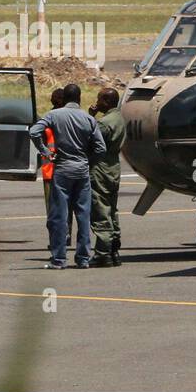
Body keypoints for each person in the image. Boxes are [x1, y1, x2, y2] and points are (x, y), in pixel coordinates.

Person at [30, 83, 106, 269]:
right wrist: (87, 159)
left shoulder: (54, 115)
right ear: (79, 98)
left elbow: (34, 131)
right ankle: (83, 258)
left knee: (60, 215)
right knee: (83, 214)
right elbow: (101, 148)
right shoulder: (88, 119)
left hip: (63, 168)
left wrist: (46, 152)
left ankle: (59, 258)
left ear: (64, 99)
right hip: (82, 170)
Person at [88, 88, 126, 267]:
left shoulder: (104, 124)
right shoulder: (119, 118)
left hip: (101, 168)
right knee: (112, 208)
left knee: (100, 209)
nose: (97, 102)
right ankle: (113, 248)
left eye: (99, 99)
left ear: (106, 101)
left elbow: (90, 140)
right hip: (113, 167)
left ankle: (102, 252)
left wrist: (91, 118)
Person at [40, 88, 66, 216]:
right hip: (67, 169)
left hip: (50, 169)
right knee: (66, 210)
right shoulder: (71, 118)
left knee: (52, 212)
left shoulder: (47, 119)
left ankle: (56, 235)